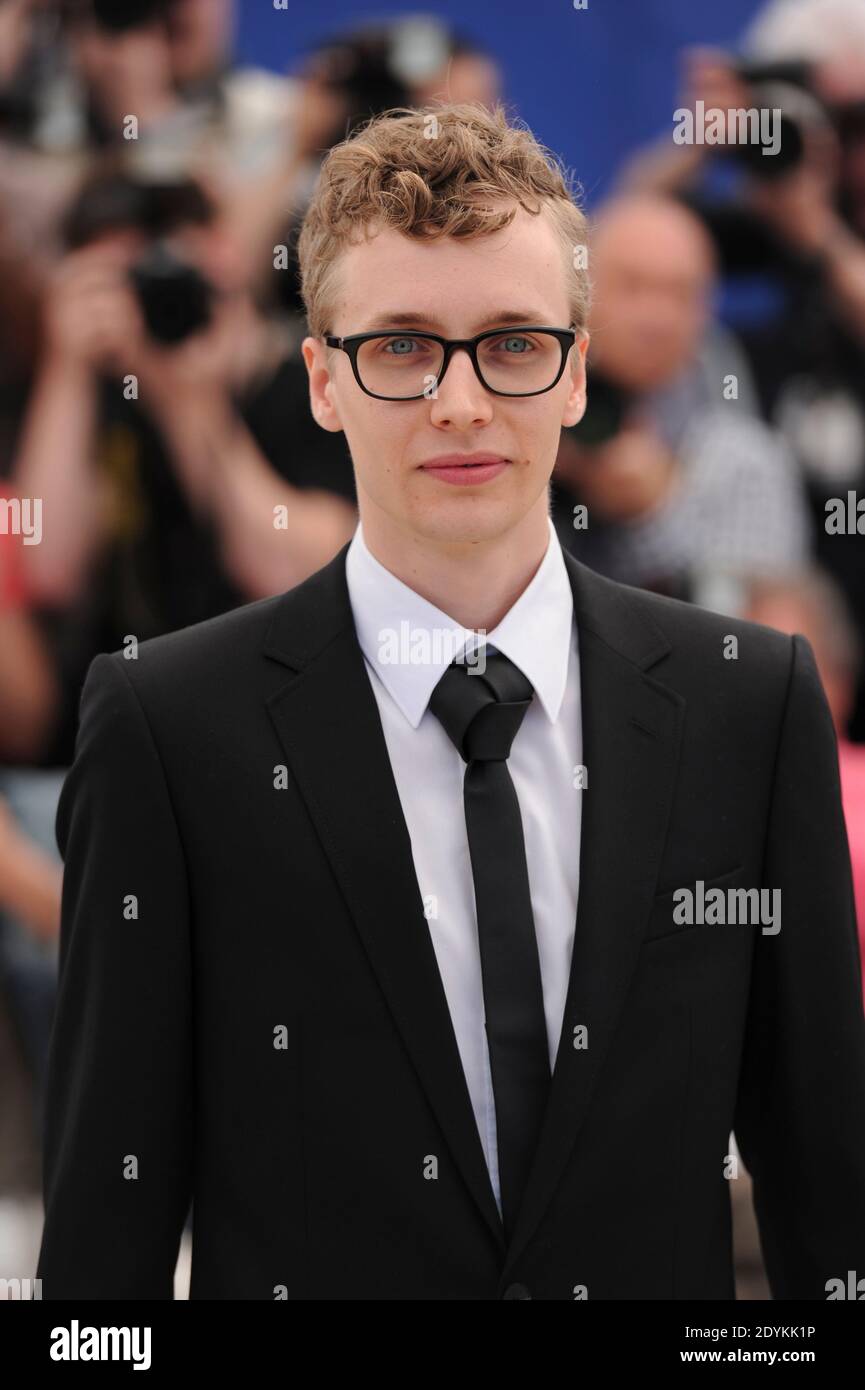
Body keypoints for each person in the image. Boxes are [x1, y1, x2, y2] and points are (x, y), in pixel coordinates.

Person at [36, 101, 865, 1300]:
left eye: (512, 345)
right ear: (323, 379)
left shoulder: (749, 704)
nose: (461, 404)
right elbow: (102, 1238)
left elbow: (824, 1187)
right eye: (403, 347)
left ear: (576, 373)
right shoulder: (169, 727)